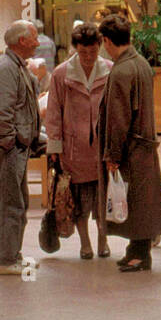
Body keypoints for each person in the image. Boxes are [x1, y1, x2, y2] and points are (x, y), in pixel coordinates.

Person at [97, 15, 161, 272]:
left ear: (106, 41)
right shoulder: (141, 64)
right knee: (143, 199)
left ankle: (139, 254)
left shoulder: (120, 71)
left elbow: (118, 118)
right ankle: (137, 250)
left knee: (134, 202)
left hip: (130, 148)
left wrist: (112, 154)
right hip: (145, 144)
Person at [45, 23, 112, 259]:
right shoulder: (62, 74)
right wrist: (55, 147)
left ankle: (103, 240)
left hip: (102, 149)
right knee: (80, 201)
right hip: (75, 150)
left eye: (93, 52)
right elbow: (53, 112)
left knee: (103, 200)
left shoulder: (109, 71)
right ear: (75, 50)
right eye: (83, 52)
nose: (88, 57)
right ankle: (85, 243)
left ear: (99, 47)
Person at [0, 19, 42, 275]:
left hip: (16, 148)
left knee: (18, 202)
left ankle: (12, 255)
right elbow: (0, 112)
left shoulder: (16, 67)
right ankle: (5, 260)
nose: (38, 42)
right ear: (22, 41)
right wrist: (11, 142)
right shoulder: (7, 69)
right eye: (34, 37)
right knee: (10, 204)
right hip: (9, 149)